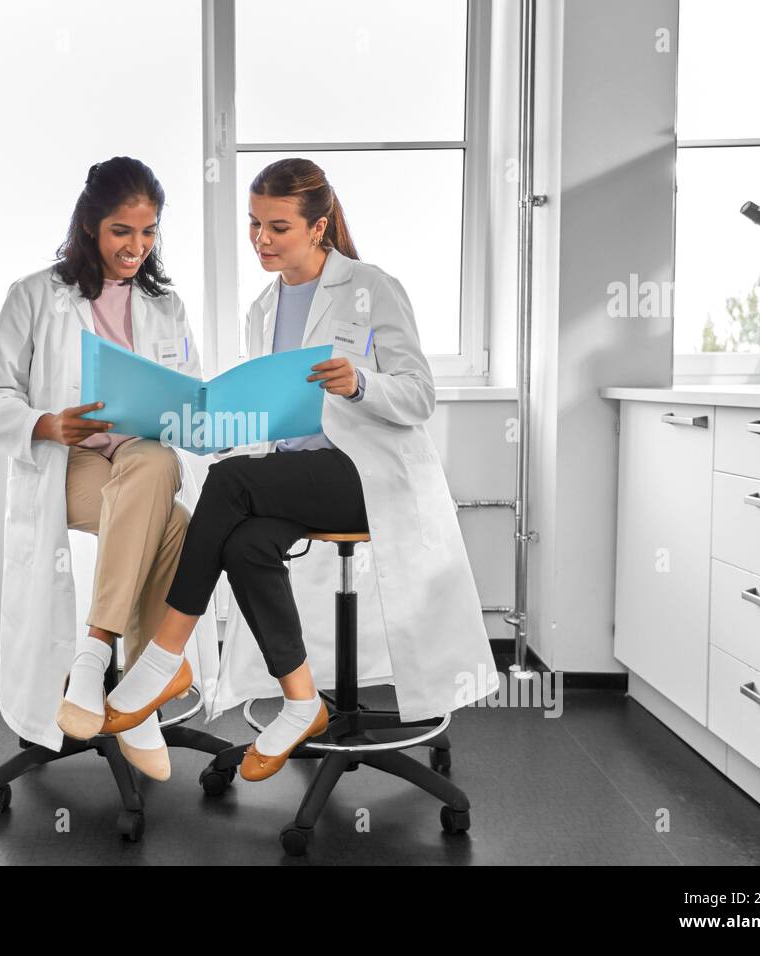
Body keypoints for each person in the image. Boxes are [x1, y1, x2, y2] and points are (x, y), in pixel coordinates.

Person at [99, 158, 497, 781]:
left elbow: (419, 395)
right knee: (246, 542)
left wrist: (361, 383)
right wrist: (209, 426)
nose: (261, 238)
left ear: (318, 226)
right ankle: (302, 700)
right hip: (295, 473)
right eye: (254, 224)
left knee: (231, 488)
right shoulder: (263, 309)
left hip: (367, 477)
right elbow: (271, 414)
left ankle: (165, 655)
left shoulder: (371, 286)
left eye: (277, 226)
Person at [0, 156, 214, 781]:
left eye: (148, 232)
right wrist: (45, 425)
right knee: (175, 524)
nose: (136, 247)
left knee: (157, 467)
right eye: (121, 232)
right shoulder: (33, 295)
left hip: (143, 455)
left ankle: (103, 664)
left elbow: (193, 394)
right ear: (89, 226)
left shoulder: (168, 306)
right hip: (68, 461)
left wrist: (189, 414)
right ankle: (138, 690)